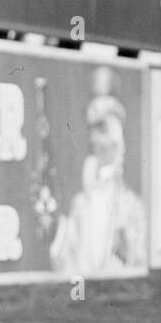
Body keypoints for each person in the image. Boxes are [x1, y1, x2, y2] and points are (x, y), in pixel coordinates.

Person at [49, 66, 146, 276]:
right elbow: (65, 268)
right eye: (92, 131)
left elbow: (141, 264)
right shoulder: (79, 204)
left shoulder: (132, 206)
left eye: (103, 130)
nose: (96, 140)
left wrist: (126, 248)